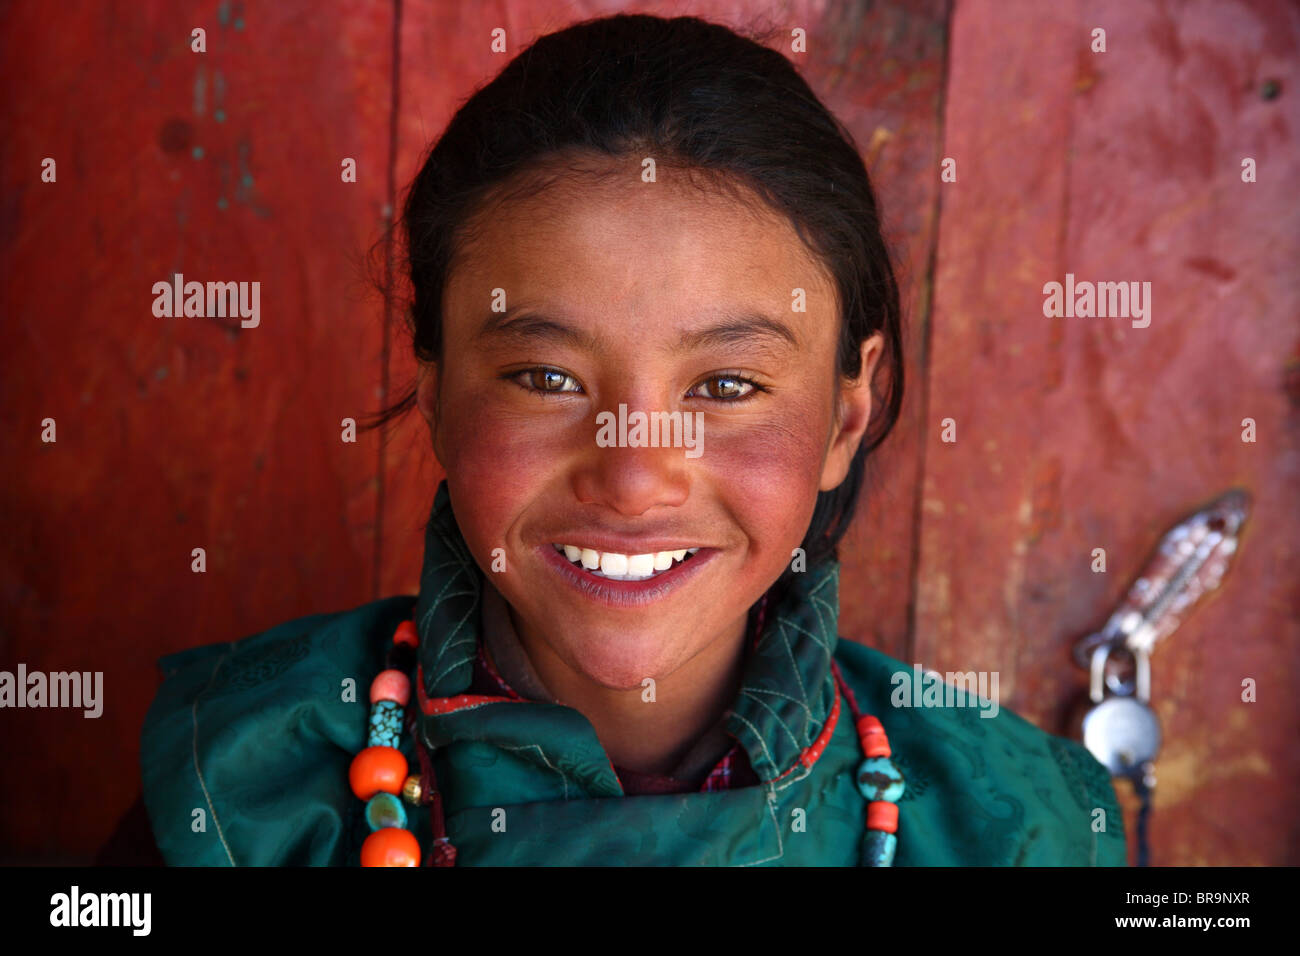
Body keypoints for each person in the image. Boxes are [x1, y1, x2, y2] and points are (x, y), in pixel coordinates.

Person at [112, 13, 1126, 866]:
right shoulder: (245, 791)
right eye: (546, 377)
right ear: (437, 397)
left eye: (727, 385)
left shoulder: (1020, 823)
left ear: (843, 420)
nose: (635, 476)